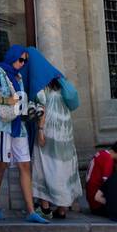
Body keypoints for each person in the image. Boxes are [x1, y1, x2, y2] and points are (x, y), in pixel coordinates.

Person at [0, 45, 49, 222]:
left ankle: (31, 211)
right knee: (1, 165)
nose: (23, 63)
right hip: (3, 126)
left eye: (25, 60)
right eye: (21, 59)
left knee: (25, 165)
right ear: (12, 57)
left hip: (19, 126)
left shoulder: (18, 76)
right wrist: (6, 100)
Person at [30, 75, 82, 218]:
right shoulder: (64, 91)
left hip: (49, 134)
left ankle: (45, 209)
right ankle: (62, 208)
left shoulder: (43, 90)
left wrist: (40, 131)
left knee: (44, 167)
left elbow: (41, 112)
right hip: (65, 136)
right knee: (63, 169)